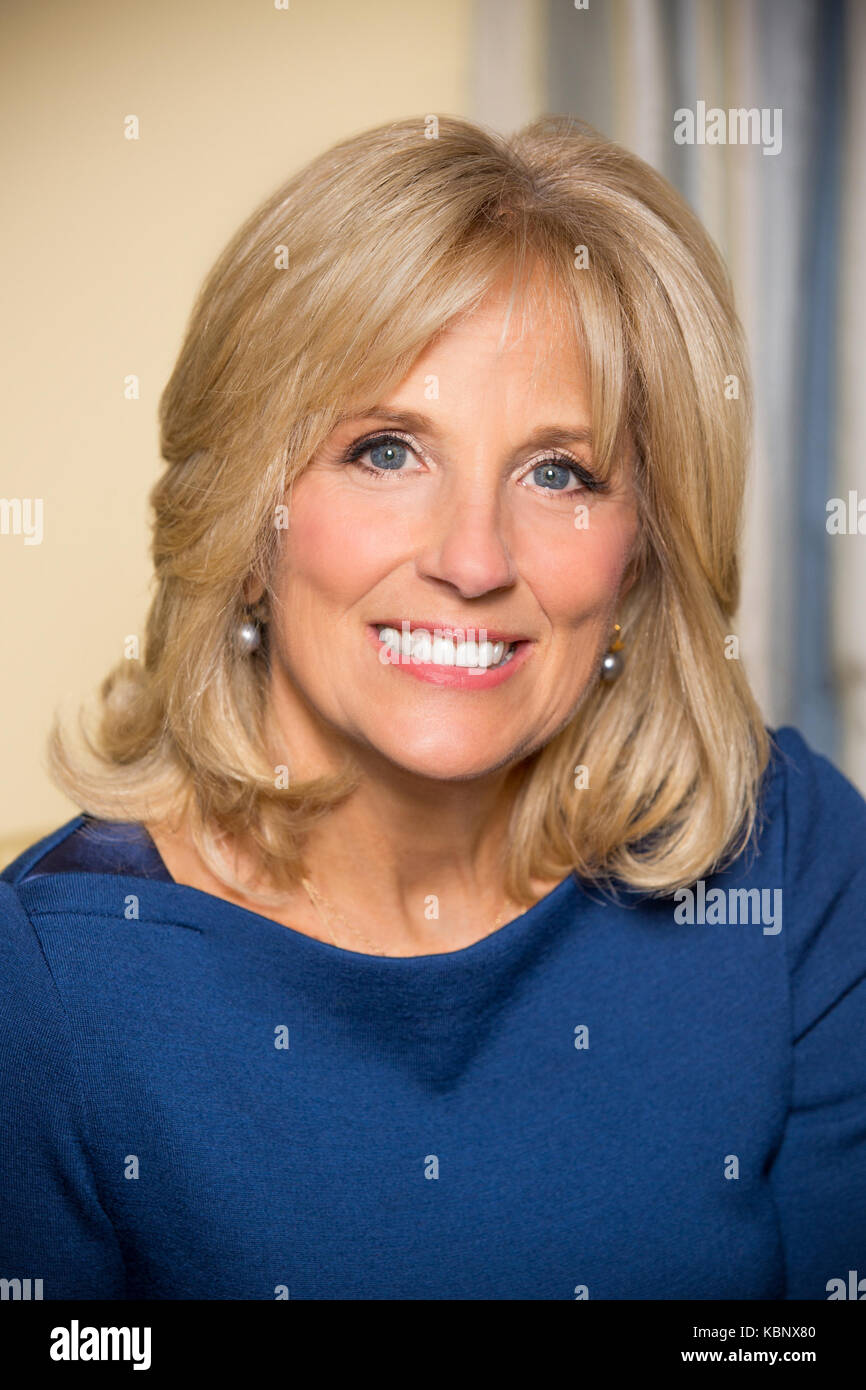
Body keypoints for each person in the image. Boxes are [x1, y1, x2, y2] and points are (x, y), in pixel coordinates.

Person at [1, 114, 864, 1301]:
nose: (472, 558)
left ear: (637, 562)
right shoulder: (51, 984)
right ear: (248, 523)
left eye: (557, 471)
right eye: (386, 450)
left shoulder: (792, 855)